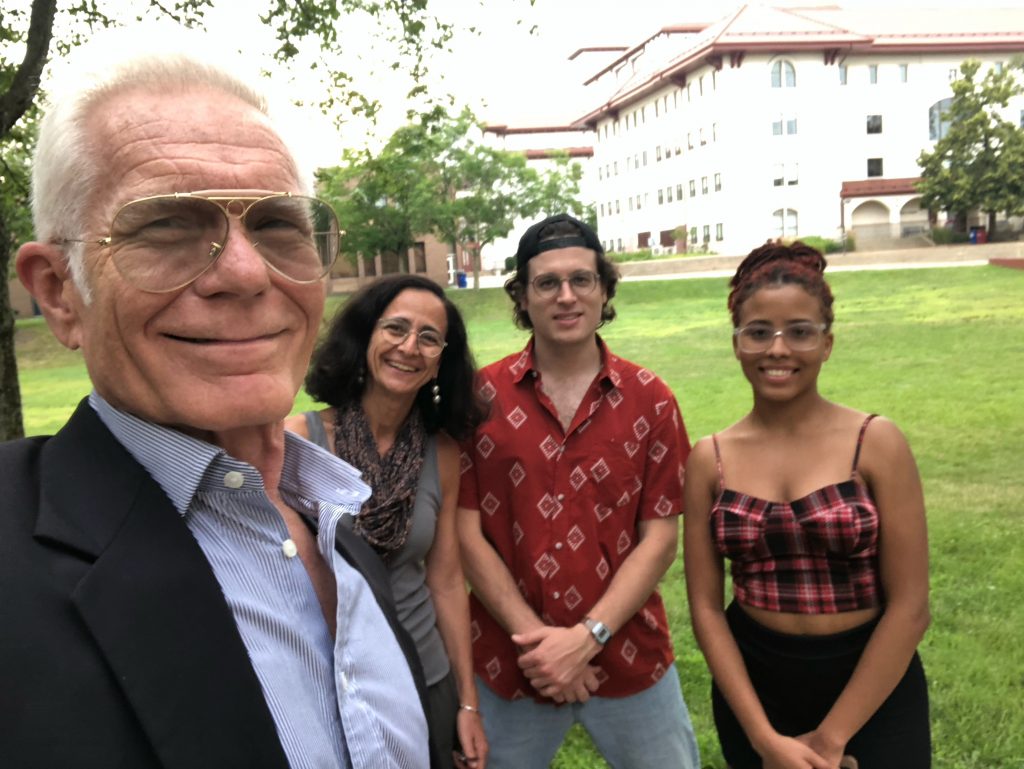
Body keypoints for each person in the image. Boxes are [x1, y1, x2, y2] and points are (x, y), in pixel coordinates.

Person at [2, 28, 437, 769]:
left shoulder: (337, 519)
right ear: (57, 292)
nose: (244, 271)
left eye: (276, 224)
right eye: (168, 225)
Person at [456, 213, 701, 769]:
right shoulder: (480, 397)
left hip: (628, 650)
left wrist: (586, 638)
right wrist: (544, 647)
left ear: (605, 288)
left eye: (581, 280)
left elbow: (660, 538)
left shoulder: (650, 398)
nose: (566, 297)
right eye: (547, 283)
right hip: (511, 658)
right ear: (522, 295)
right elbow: (465, 533)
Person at [683, 241, 931, 769]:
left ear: (827, 343)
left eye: (799, 331)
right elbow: (706, 607)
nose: (777, 349)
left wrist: (831, 738)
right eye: (758, 332)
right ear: (736, 344)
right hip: (756, 691)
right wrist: (763, 739)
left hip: (872, 687)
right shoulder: (710, 458)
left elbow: (910, 607)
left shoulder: (876, 442)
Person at [285, 274, 489, 769]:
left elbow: (444, 582)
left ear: (442, 358)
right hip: (333, 680)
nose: (409, 347)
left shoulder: (441, 455)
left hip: (425, 676)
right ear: (366, 337)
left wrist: (467, 702)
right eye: (395, 328)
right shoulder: (299, 441)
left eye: (428, 337)